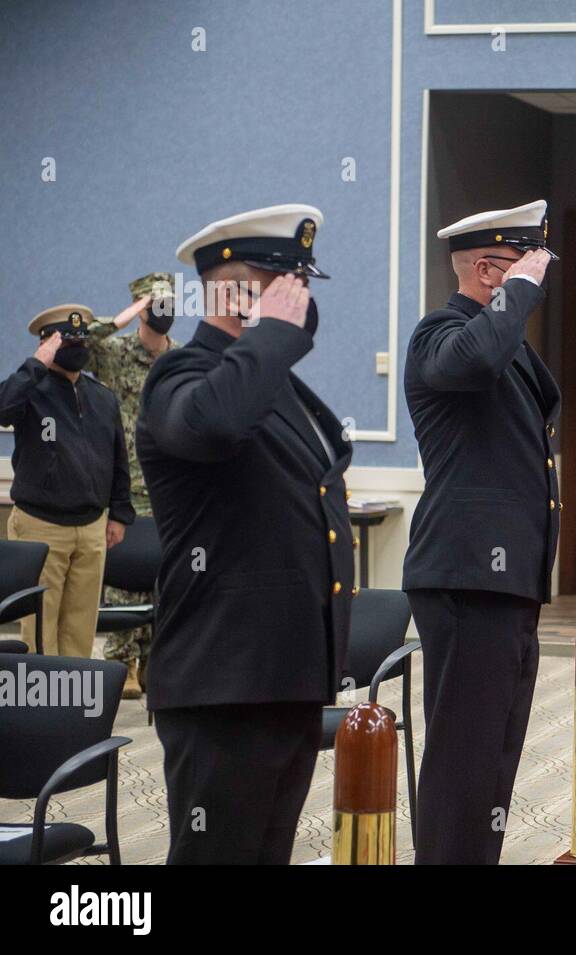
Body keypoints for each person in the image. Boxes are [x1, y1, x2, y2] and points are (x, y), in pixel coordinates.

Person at [138, 204, 353, 864]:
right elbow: (214, 425)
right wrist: (270, 337)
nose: (301, 299)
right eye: (284, 282)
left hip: (285, 675)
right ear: (235, 288)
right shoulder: (180, 377)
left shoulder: (272, 382)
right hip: (221, 684)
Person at [403, 199, 559, 864]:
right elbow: (472, 361)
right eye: (527, 265)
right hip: (466, 578)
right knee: (464, 765)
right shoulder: (439, 335)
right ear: (493, 272)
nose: (540, 280)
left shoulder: (505, 345)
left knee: (494, 758)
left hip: (507, 579)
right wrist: (517, 290)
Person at [1, 305, 134, 656]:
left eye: (82, 338)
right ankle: (39, 707)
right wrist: (35, 366)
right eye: (67, 339)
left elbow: (118, 458)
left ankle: (73, 708)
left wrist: (119, 513)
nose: (78, 346)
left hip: (92, 528)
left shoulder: (102, 398)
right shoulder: (31, 389)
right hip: (41, 527)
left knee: (80, 628)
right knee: (40, 630)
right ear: (47, 344)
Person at [86, 273, 177, 697]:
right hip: (122, 487)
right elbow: (76, 344)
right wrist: (122, 318)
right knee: (123, 579)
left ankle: (155, 661)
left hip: (169, 489)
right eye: (153, 303)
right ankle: (122, 662)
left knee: (166, 577)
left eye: (167, 302)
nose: (162, 309)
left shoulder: (179, 360)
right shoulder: (115, 353)